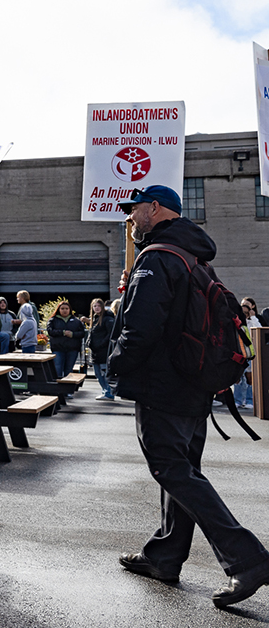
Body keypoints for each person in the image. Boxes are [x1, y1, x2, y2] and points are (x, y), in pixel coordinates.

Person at [109, 185, 269, 608]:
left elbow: (141, 329)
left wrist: (114, 361)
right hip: (194, 382)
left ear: (156, 208)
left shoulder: (159, 257)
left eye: (134, 208)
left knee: (172, 470)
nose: (130, 216)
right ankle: (165, 556)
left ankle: (247, 559)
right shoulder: (193, 255)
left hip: (163, 383)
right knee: (182, 471)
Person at [86, 297, 115, 401]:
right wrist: (89, 342)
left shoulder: (108, 319)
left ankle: (108, 392)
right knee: (98, 373)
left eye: (99, 306)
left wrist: (101, 344)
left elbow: (111, 334)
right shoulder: (95, 319)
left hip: (104, 352)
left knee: (104, 373)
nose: (96, 308)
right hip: (95, 352)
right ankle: (105, 391)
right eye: (94, 306)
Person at [47, 300, 85, 379]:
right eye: (62, 308)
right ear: (59, 309)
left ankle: (68, 389)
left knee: (69, 370)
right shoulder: (53, 320)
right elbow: (50, 331)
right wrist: (62, 332)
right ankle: (58, 389)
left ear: (70, 310)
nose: (64, 310)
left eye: (66, 308)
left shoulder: (76, 321)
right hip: (58, 349)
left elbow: (82, 333)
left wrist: (72, 334)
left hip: (72, 349)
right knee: (58, 369)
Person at [235, 299, 260, 409]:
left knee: (250, 378)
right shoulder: (237, 322)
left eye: (246, 311)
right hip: (239, 353)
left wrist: (252, 317)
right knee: (238, 378)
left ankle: (249, 400)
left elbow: (258, 330)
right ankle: (238, 400)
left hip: (250, 353)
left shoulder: (252, 321)